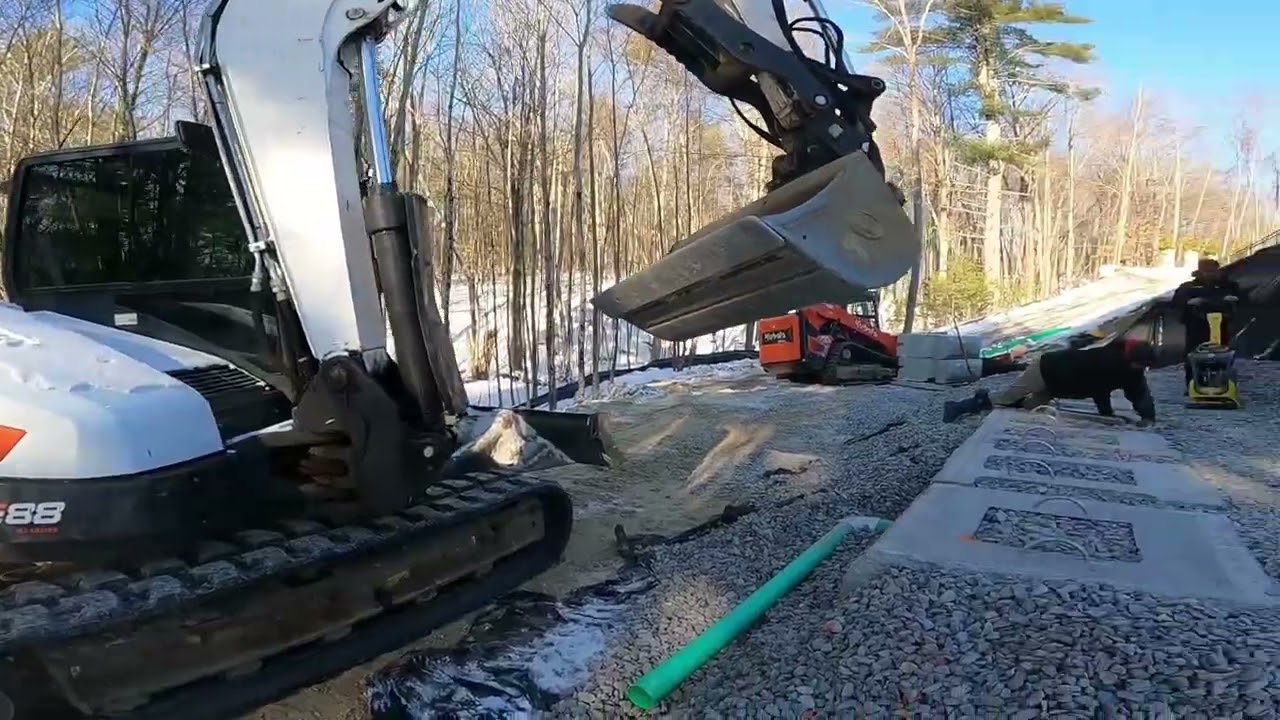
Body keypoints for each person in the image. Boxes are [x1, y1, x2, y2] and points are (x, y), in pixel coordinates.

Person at [942, 339, 1158, 425]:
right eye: (1140, 365)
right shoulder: (1107, 360)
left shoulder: (1132, 371)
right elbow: (1099, 388)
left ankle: (1001, 400)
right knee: (1008, 397)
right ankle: (959, 406)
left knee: (1030, 406)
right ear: (1132, 360)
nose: (1142, 370)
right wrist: (1106, 413)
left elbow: (1139, 392)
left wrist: (1148, 416)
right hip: (1047, 369)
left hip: (1062, 384)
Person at [1170, 258, 1243, 390]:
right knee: (1195, 353)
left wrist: (1234, 300)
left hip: (1222, 324)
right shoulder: (1189, 287)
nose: (1210, 274)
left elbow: (1243, 299)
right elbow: (1176, 302)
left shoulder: (1229, 286)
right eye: (1207, 271)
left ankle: (1221, 381)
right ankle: (1193, 383)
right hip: (1197, 324)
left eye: (1213, 271)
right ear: (1200, 271)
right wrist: (1189, 302)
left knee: (1222, 352)